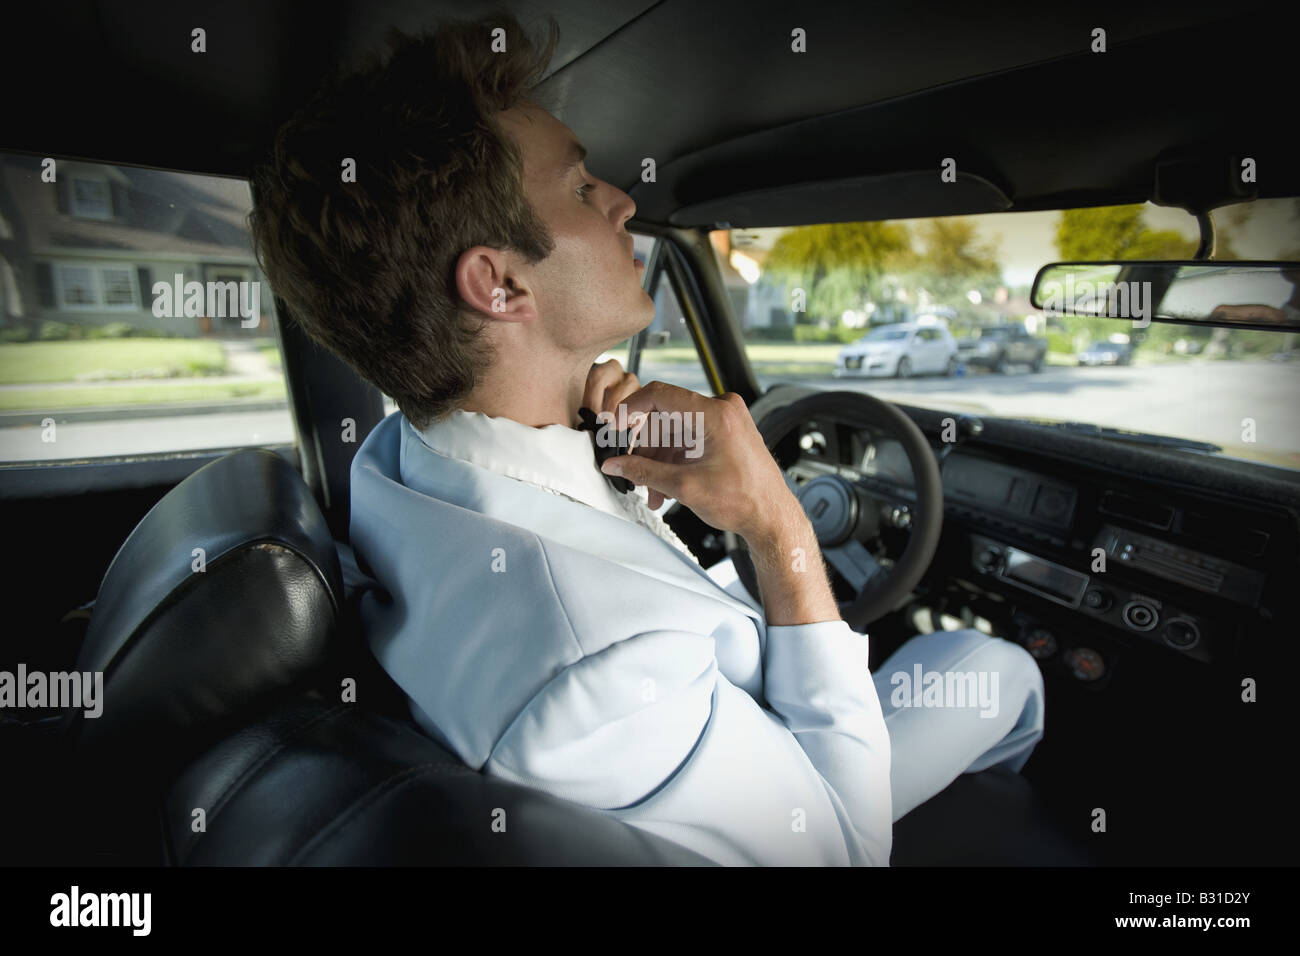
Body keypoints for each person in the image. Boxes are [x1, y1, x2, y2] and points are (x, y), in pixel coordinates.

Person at [249, 13, 1044, 865]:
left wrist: (609, 480)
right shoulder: (596, 673)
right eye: (582, 187)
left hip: (720, 734)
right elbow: (844, 847)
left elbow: (592, 565)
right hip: (806, 781)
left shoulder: (402, 459)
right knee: (992, 667)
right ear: (499, 283)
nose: (624, 201)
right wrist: (780, 528)